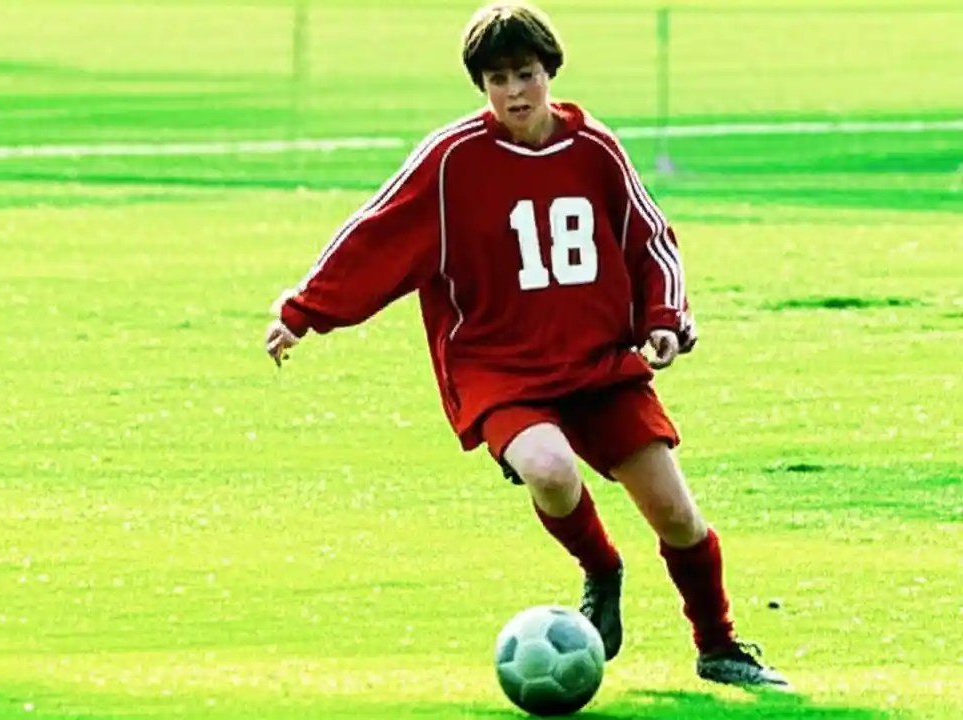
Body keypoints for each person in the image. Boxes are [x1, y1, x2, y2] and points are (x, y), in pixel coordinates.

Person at [263, 0, 789, 690]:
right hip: (498, 366)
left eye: (526, 74)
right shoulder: (452, 160)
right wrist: (303, 313)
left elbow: (650, 237)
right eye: (497, 79)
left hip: (597, 362)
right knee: (548, 469)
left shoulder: (594, 147)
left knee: (677, 515)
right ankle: (601, 569)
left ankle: (719, 646)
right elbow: (377, 235)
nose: (514, 91)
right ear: (481, 87)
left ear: (550, 72)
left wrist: (664, 320)